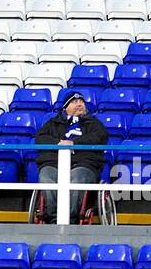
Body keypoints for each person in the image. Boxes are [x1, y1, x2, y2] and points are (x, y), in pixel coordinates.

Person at [33, 91, 108, 224]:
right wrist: (59, 144)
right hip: (54, 163)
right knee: (46, 177)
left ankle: (70, 218)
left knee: (77, 178)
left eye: (82, 102)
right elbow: (40, 139)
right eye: (74, 102)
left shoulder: (94, 123)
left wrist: (74, 143)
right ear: (65, 107)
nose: (79, 104)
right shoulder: (52, 123)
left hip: (83, 164)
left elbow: (99, 138)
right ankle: (53, 217)